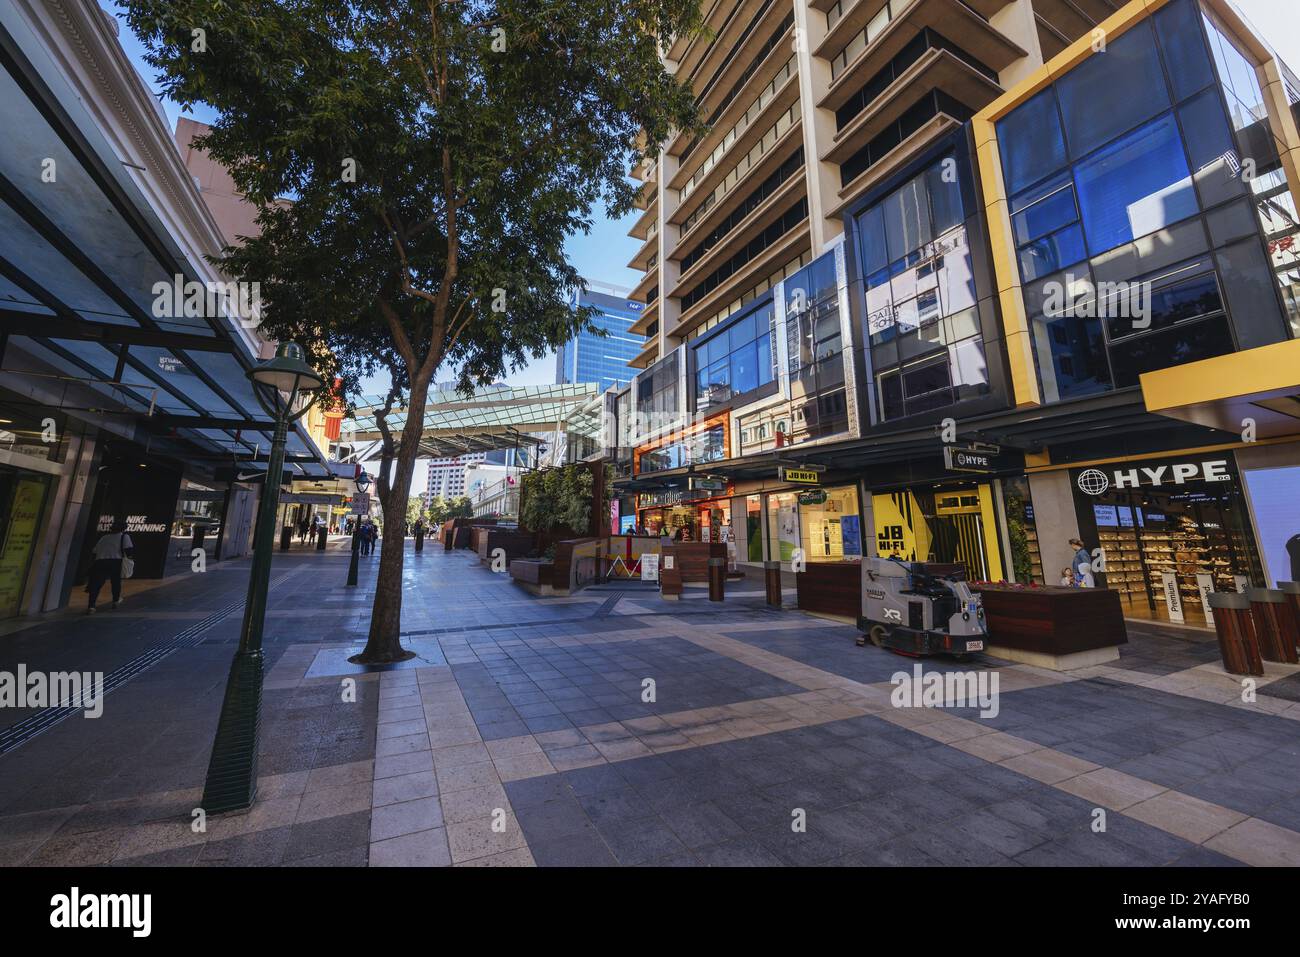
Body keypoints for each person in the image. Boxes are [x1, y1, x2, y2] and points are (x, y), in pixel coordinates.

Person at [87, 522, 134, 613]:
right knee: (116, 582)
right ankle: (115, 601)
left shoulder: (104, 538)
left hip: (100, 562)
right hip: (115, 562)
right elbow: (129, 551)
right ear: (123, 529)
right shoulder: (124, 537)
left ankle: (91, 606)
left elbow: (94, 551)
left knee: (96, 584)